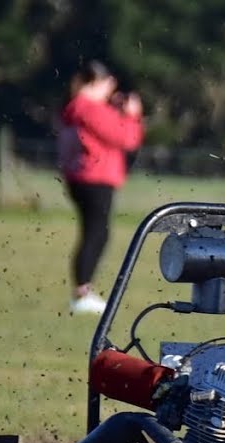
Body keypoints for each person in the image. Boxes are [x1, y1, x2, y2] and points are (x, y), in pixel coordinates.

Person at [58, 60, 143, 315]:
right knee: (97, 234)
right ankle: (82, 293)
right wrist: (132, 115)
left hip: (82, 177)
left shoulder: (76, 107)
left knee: (93, 232)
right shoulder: (90, 109)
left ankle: (83, 291)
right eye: (107, 85)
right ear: (95, 82)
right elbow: (126, 139)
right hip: (95, 178)